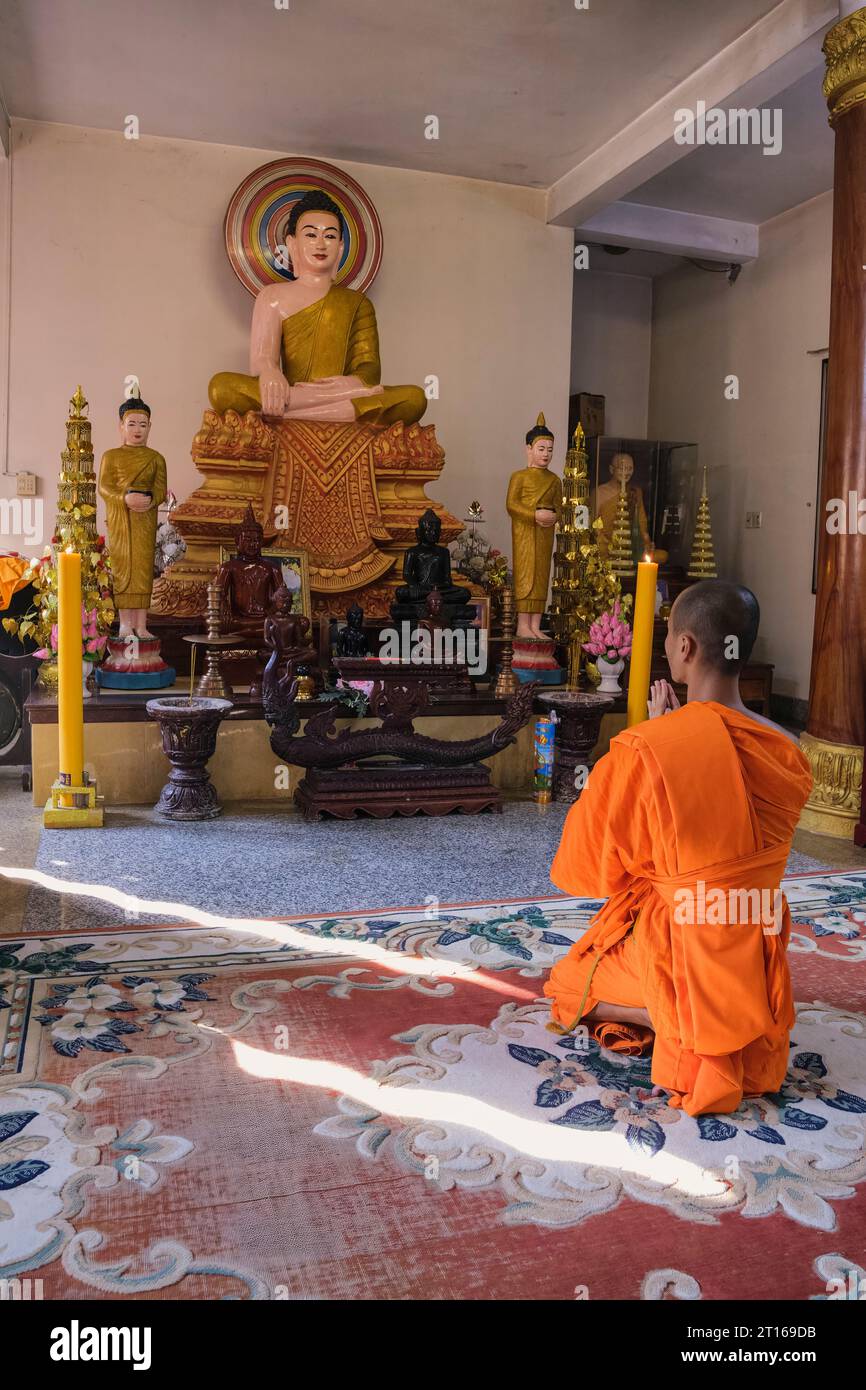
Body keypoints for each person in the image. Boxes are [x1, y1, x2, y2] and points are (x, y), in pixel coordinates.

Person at [544, 579, 812, 1116]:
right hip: (752, 933)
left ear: (684, 648)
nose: (668, 648)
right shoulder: (787, 749)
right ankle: (729, 1009)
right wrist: (668, 745)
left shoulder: (649, 749)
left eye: (668, 637)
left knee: (566, 983)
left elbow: (593, 867)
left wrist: (655, 746)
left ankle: (672, 1015)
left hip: (683, 940)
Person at [208, 190, 426, 427]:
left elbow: (369, 371)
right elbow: (262, 361)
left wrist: (346, 385)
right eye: (311, 234)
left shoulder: (358, 303)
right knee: (222, 388)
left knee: (414, 398)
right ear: (292, 243)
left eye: (330, 237)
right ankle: (336, 412)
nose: (321, 244)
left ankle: (291, 414)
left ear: (341, 247)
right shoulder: (271, 297)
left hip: (327, 396)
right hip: (293, 395)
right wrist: (270, 374)